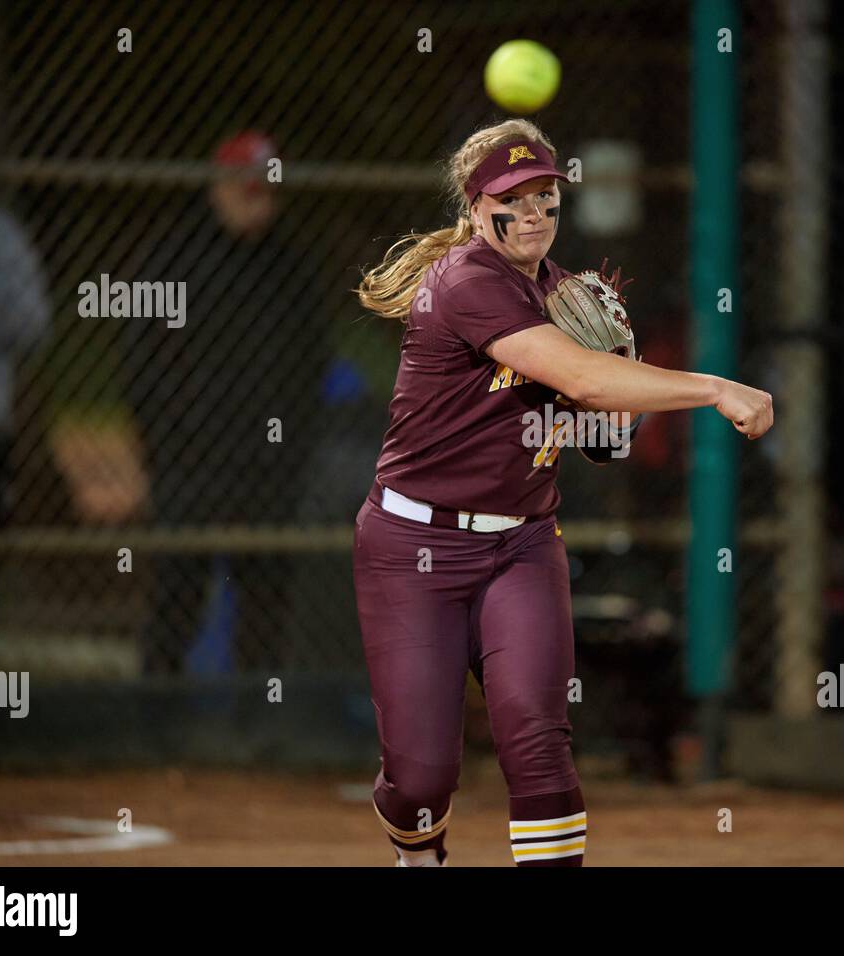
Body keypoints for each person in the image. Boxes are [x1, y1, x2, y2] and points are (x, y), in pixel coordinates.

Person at [352, 118, 772, 867]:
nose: (538, 212)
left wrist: (611, 420)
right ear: (480, 209)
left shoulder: (564, 294)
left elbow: (595, 427)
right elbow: (578, 377)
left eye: (548, 195)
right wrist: (713, 387)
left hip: (521, 544)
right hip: (415, 546)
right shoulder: (466, 281)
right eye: (517, 197)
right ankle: (418, 854)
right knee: (422, 778)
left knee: (538, 742)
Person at [123, 130, 329, 673]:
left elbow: (312, 364)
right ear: (217, 187)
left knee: (264, 594)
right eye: (244, 187)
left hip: (267, 464)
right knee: (177, 589)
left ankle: (254, 726)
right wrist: (163, 446)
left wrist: (290, 445)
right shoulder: (175, 260)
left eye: (265, 189)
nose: (255, 199)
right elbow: (139, 363)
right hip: (190, 460)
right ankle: (156, 715)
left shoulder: (290, 269)